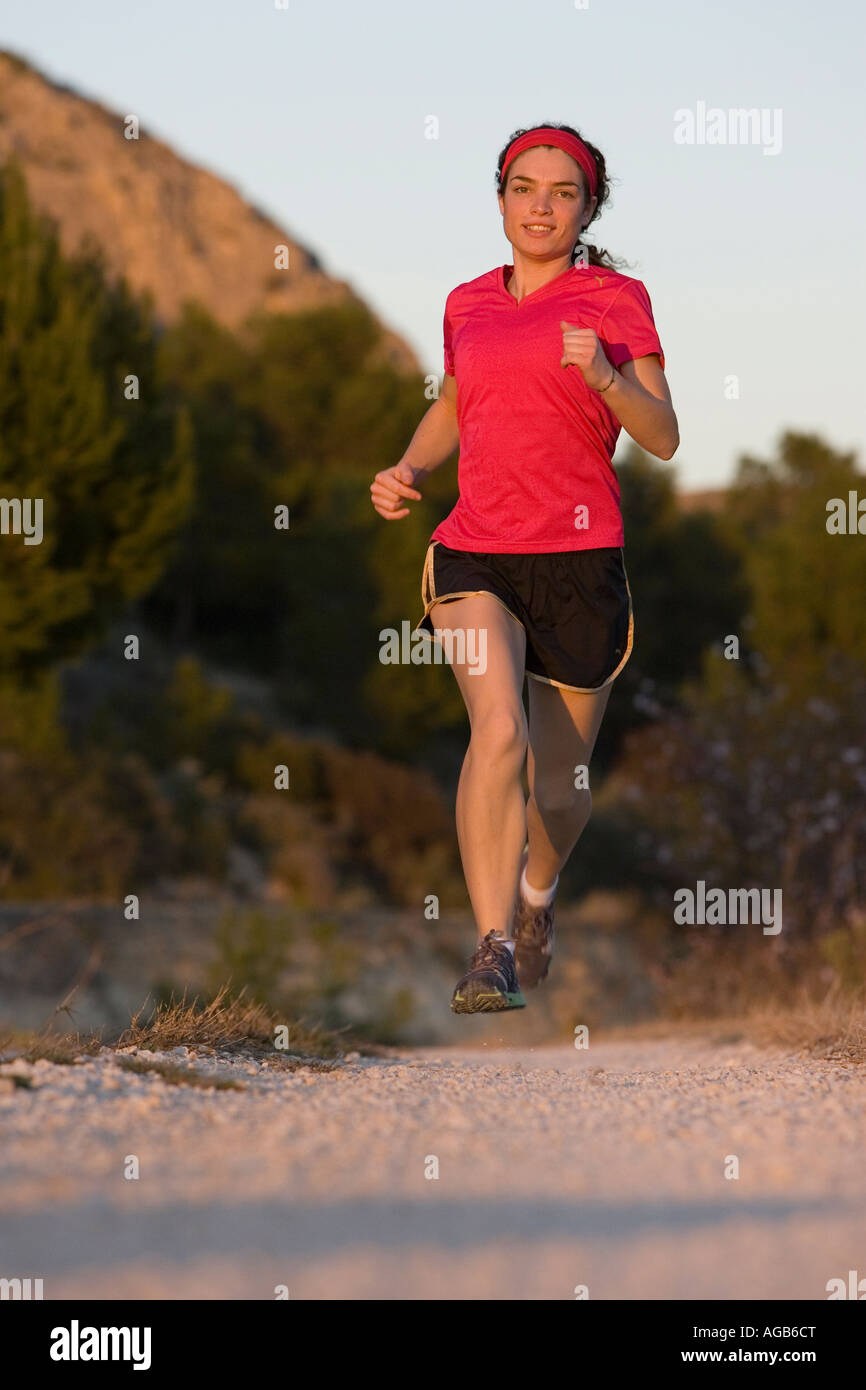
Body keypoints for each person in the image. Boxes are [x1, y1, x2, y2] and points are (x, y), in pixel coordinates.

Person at [370, 122, 678, 1013]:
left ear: (588, 206)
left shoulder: (617, 299)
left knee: (562, 789)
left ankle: (538, 897)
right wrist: (411, 469)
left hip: (580, 559)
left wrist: (608, 379)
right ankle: (492, 948)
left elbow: (662, 436)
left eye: (562, 191)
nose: (540, 206)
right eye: (523, 187)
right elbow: (457, 403)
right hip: (477, 549)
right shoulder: (467, 302)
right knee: (495, 730)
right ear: (500, 196)